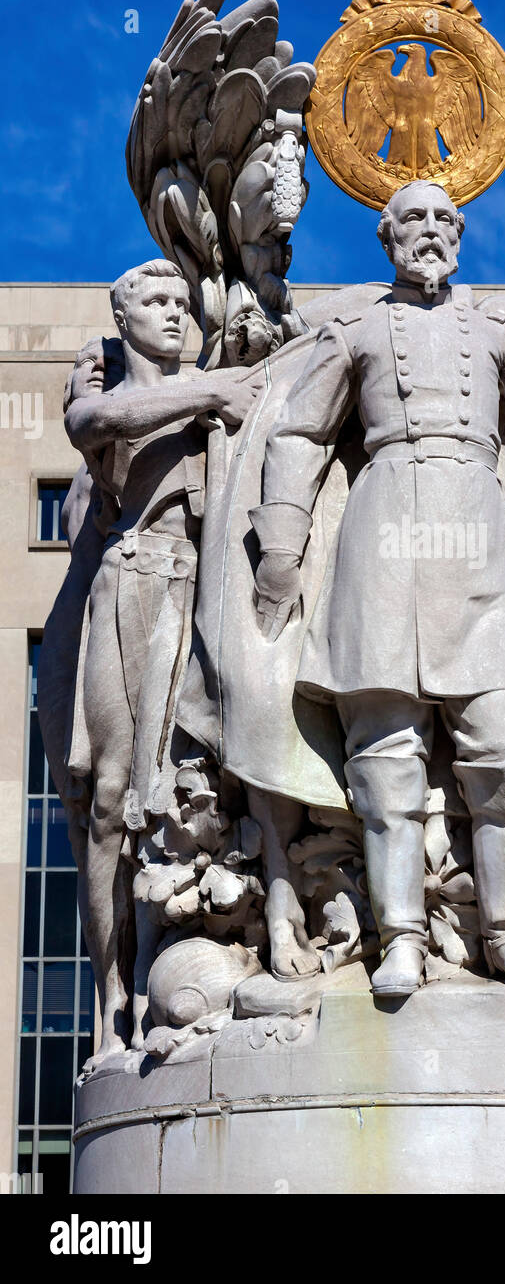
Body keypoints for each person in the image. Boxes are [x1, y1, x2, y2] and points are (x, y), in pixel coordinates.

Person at [251, 180, 505, 999]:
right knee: (384, 753)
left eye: (445, 220)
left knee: (500, 747)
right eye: (414, 219)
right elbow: (301, 435)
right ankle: (401, 936)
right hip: (382, 531)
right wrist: (280, 545)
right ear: (387, 239)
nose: (433, 232)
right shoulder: (351, 329)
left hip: (474, 537)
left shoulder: (497, 333)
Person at [59, 259, 261, 1059]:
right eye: (155, 302)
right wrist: (212, 391)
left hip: (206, 590)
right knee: (109, 797)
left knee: (184, 799)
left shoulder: (219, 394)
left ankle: (160, 981)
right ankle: (112, 995)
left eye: (183, 302)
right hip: (132, 582)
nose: (174, 314)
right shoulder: (112, 394)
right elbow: (96, 426)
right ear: (122, 313)